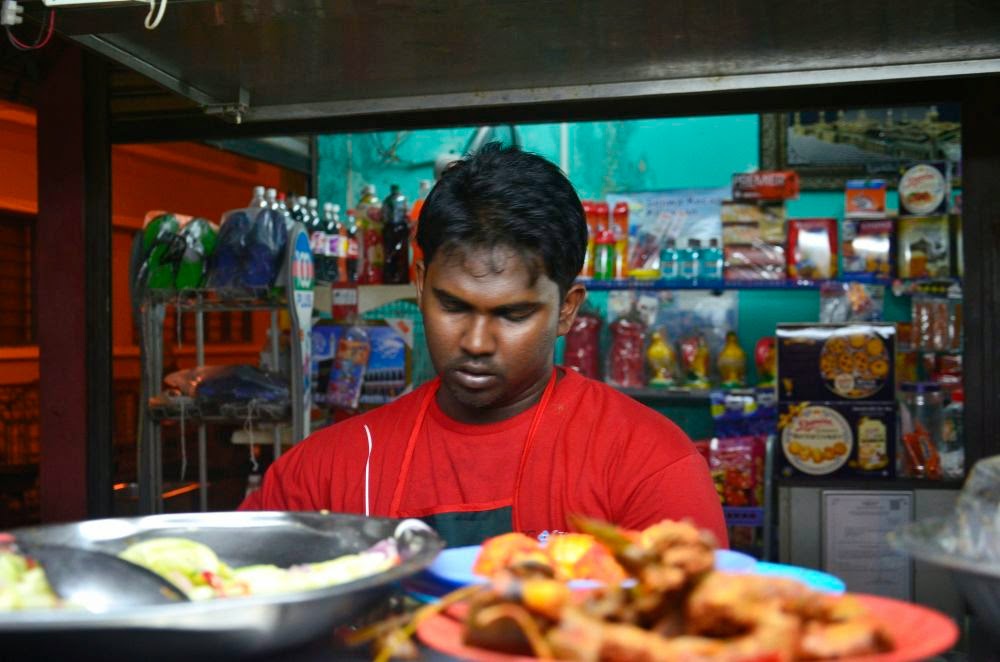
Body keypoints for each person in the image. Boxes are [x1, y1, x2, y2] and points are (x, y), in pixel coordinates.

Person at [240, 143, 727, 548]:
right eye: (452, 306)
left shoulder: (650, 467)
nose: (475, 343)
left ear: (567, 310)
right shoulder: (322, 474)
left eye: (513, 314)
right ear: (419, 285)